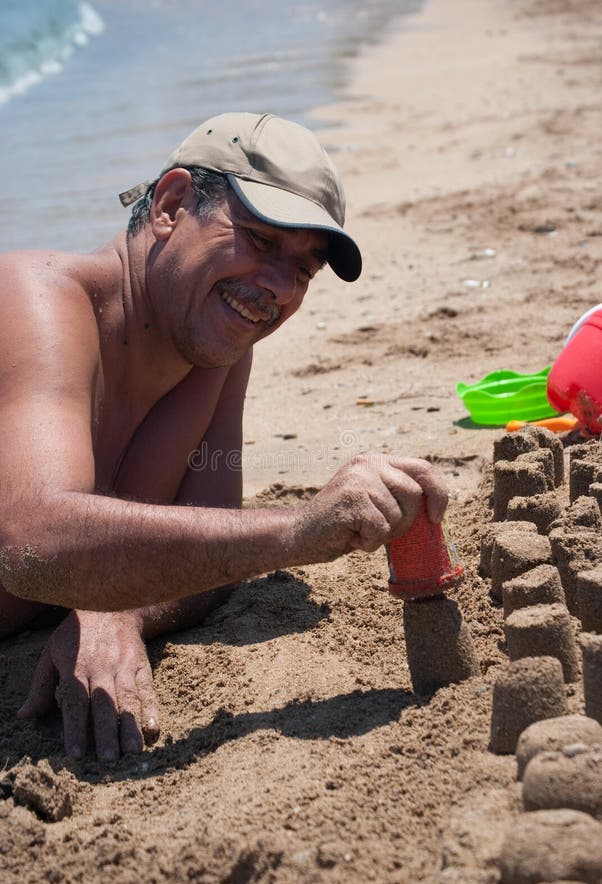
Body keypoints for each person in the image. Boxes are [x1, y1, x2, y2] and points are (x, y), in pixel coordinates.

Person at [0, 112, 448, 761]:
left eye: (304, 269)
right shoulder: (33, 298)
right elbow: (33, 541)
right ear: (172, 203)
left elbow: (210, 557)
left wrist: (118, 608)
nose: (276, 288)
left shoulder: (218, 351)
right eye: (261, 242)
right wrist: (297, 533)